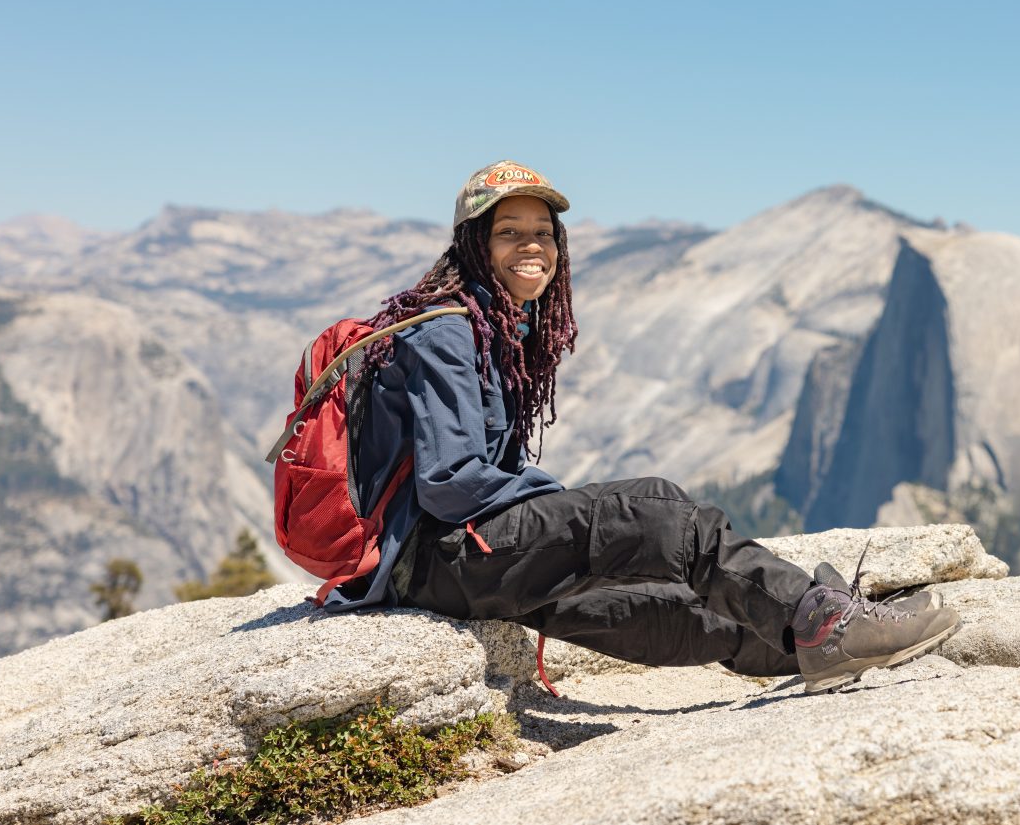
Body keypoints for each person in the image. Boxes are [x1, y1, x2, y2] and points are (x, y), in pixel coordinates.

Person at [325, 159, 960, 693]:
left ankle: (815, 648)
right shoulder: (445, 330)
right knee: (655, 509)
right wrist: (557, 504)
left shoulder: (497, 329)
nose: (531, 247)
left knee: (668, 610)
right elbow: (447, 483)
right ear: (474, 243)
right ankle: (829, 623)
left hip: (463, 563)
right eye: (508, 231)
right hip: (439, 559)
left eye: (543, 233)